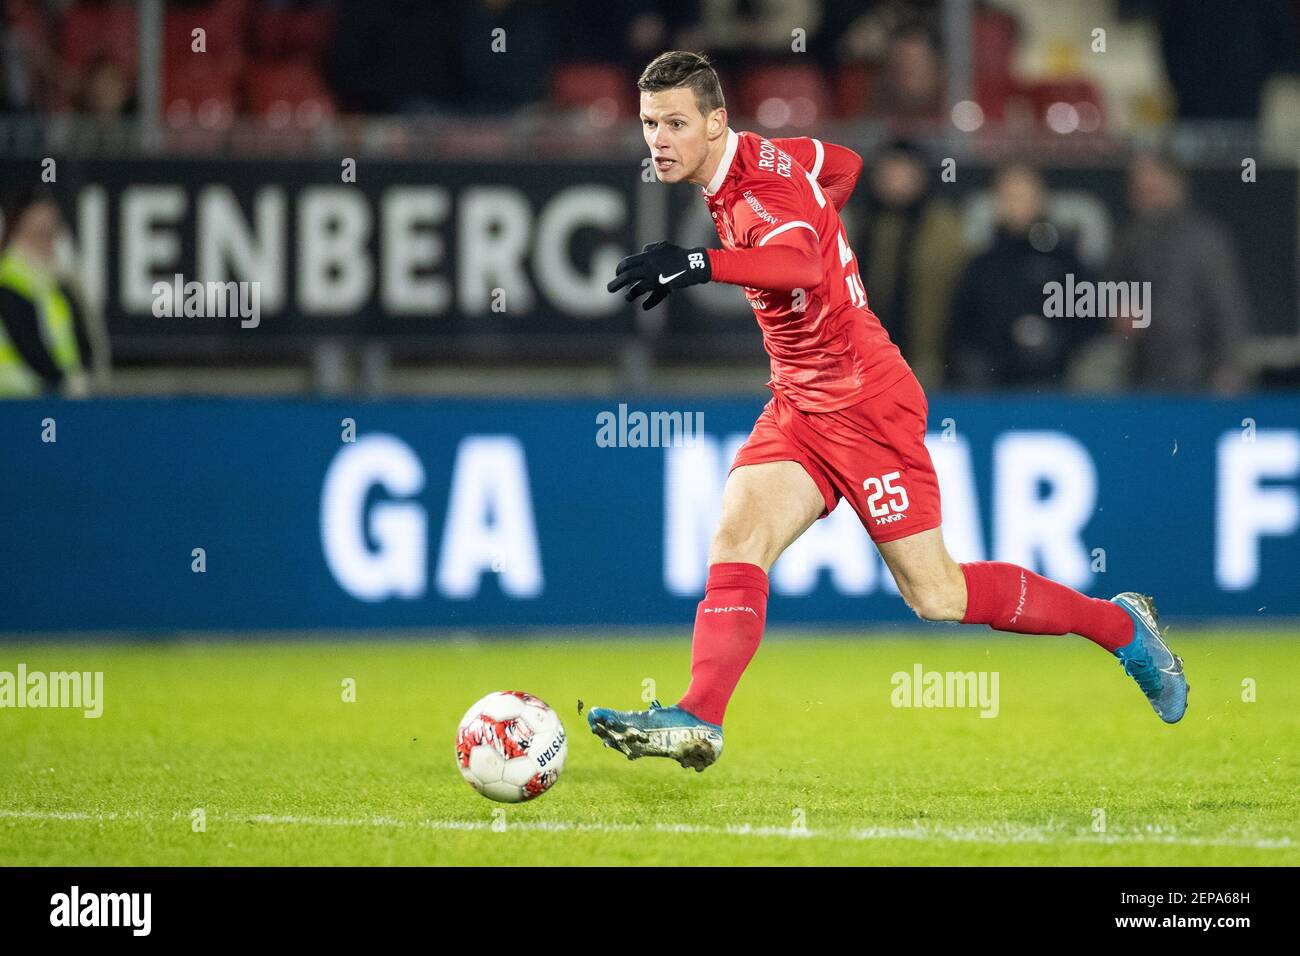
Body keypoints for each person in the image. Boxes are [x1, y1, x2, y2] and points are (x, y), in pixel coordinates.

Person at [588, 51, 1188, 772]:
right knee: (737, 539)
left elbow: (802, 264)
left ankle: (1118, 625)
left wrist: (699, 263)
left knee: (937, 593)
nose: (659, 139)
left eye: (676, 123)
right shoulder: (765, 156)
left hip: (864, 401)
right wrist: (817, 220)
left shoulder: (756, 198)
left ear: (717, 122)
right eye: (650, 122)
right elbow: (840, 165)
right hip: (801, 401)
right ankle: (699, 718)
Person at [1107, 150, 1251, 393]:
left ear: (1175, 183)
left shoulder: (1205, 239)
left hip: (1198, 371)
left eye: (1153, 186)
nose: (1145, 194)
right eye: (1139, 188)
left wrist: (1229, 366)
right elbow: (1112, 296)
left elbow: (1228, 307)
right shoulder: (1127, 241)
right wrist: (1118, 311)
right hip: (1142, 373)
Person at [947, 164, 1101, 389]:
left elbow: (1089, 326)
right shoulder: (981, 266)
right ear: (997, 202)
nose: (1016, 205)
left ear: (1041, 200)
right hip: (994, 390)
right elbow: (962, 332)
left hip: (1061, 387)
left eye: (1024, 196)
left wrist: (1056, 343)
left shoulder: (1065, 262)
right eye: (1009, 196)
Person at [853, 138, 966, 389]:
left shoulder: (943, 228)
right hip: (855, 364)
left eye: (906, 173)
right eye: (891, 172)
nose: (897, 181)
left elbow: (959, 294)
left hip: (927, 362)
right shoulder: (854, 225)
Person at [0, 188, 97, 397]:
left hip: (54, 399)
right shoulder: (7, 282)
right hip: (13, 403)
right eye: (37, 233)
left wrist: (79, 378)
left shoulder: (55, 283)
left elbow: (82, 342)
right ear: (16, 231)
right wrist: (65, 380)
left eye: (51, 233)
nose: (47, 242)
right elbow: (28, 345)